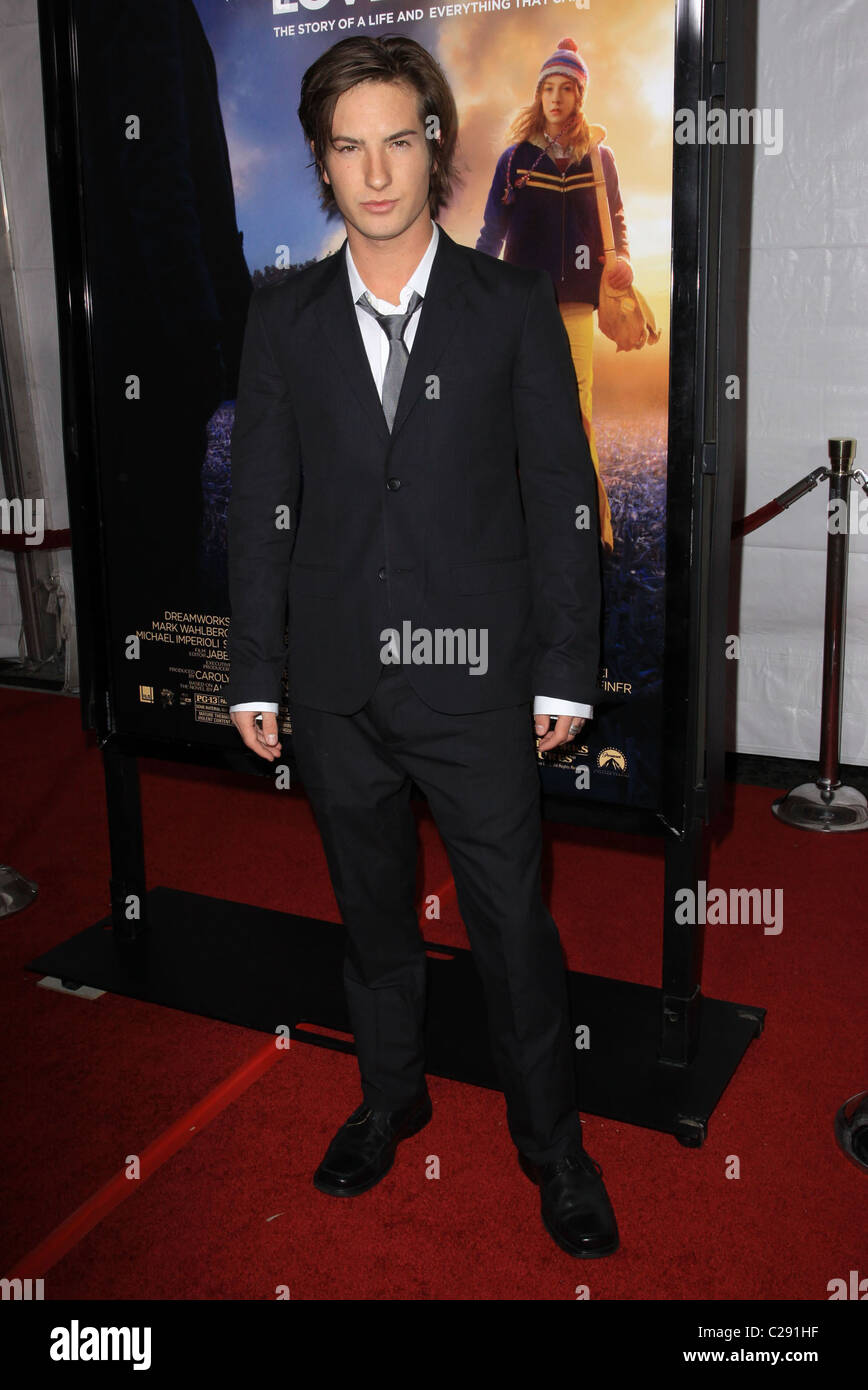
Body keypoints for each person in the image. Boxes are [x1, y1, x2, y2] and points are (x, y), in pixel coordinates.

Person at [226, 34, 618, 1259]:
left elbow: (561, 488)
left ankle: (552, 1144)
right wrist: (254, 668)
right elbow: (261, 501)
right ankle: (389, 1096)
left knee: (511, 925)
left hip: (477, 684)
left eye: (399, 138)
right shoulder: (283, 316)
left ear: (434, 148)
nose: (377, 170)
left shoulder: (504, 306)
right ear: (322, 165)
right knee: (372, 915)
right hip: (339, 688)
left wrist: (563, 661)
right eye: (349, 146)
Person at [476, 36, 634, 554]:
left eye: (567, 88)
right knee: (521, 409)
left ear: (580, 96)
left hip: (575, 306)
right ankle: (518, 524)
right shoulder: (515, 158)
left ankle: (586, 523)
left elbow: (616, 219)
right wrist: (477, 283)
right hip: (521, 305)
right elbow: (491, 230)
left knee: (576, 409)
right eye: (548, 87)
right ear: (538, 95)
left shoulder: (600, 157)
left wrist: (623, 258)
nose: (556, 97)